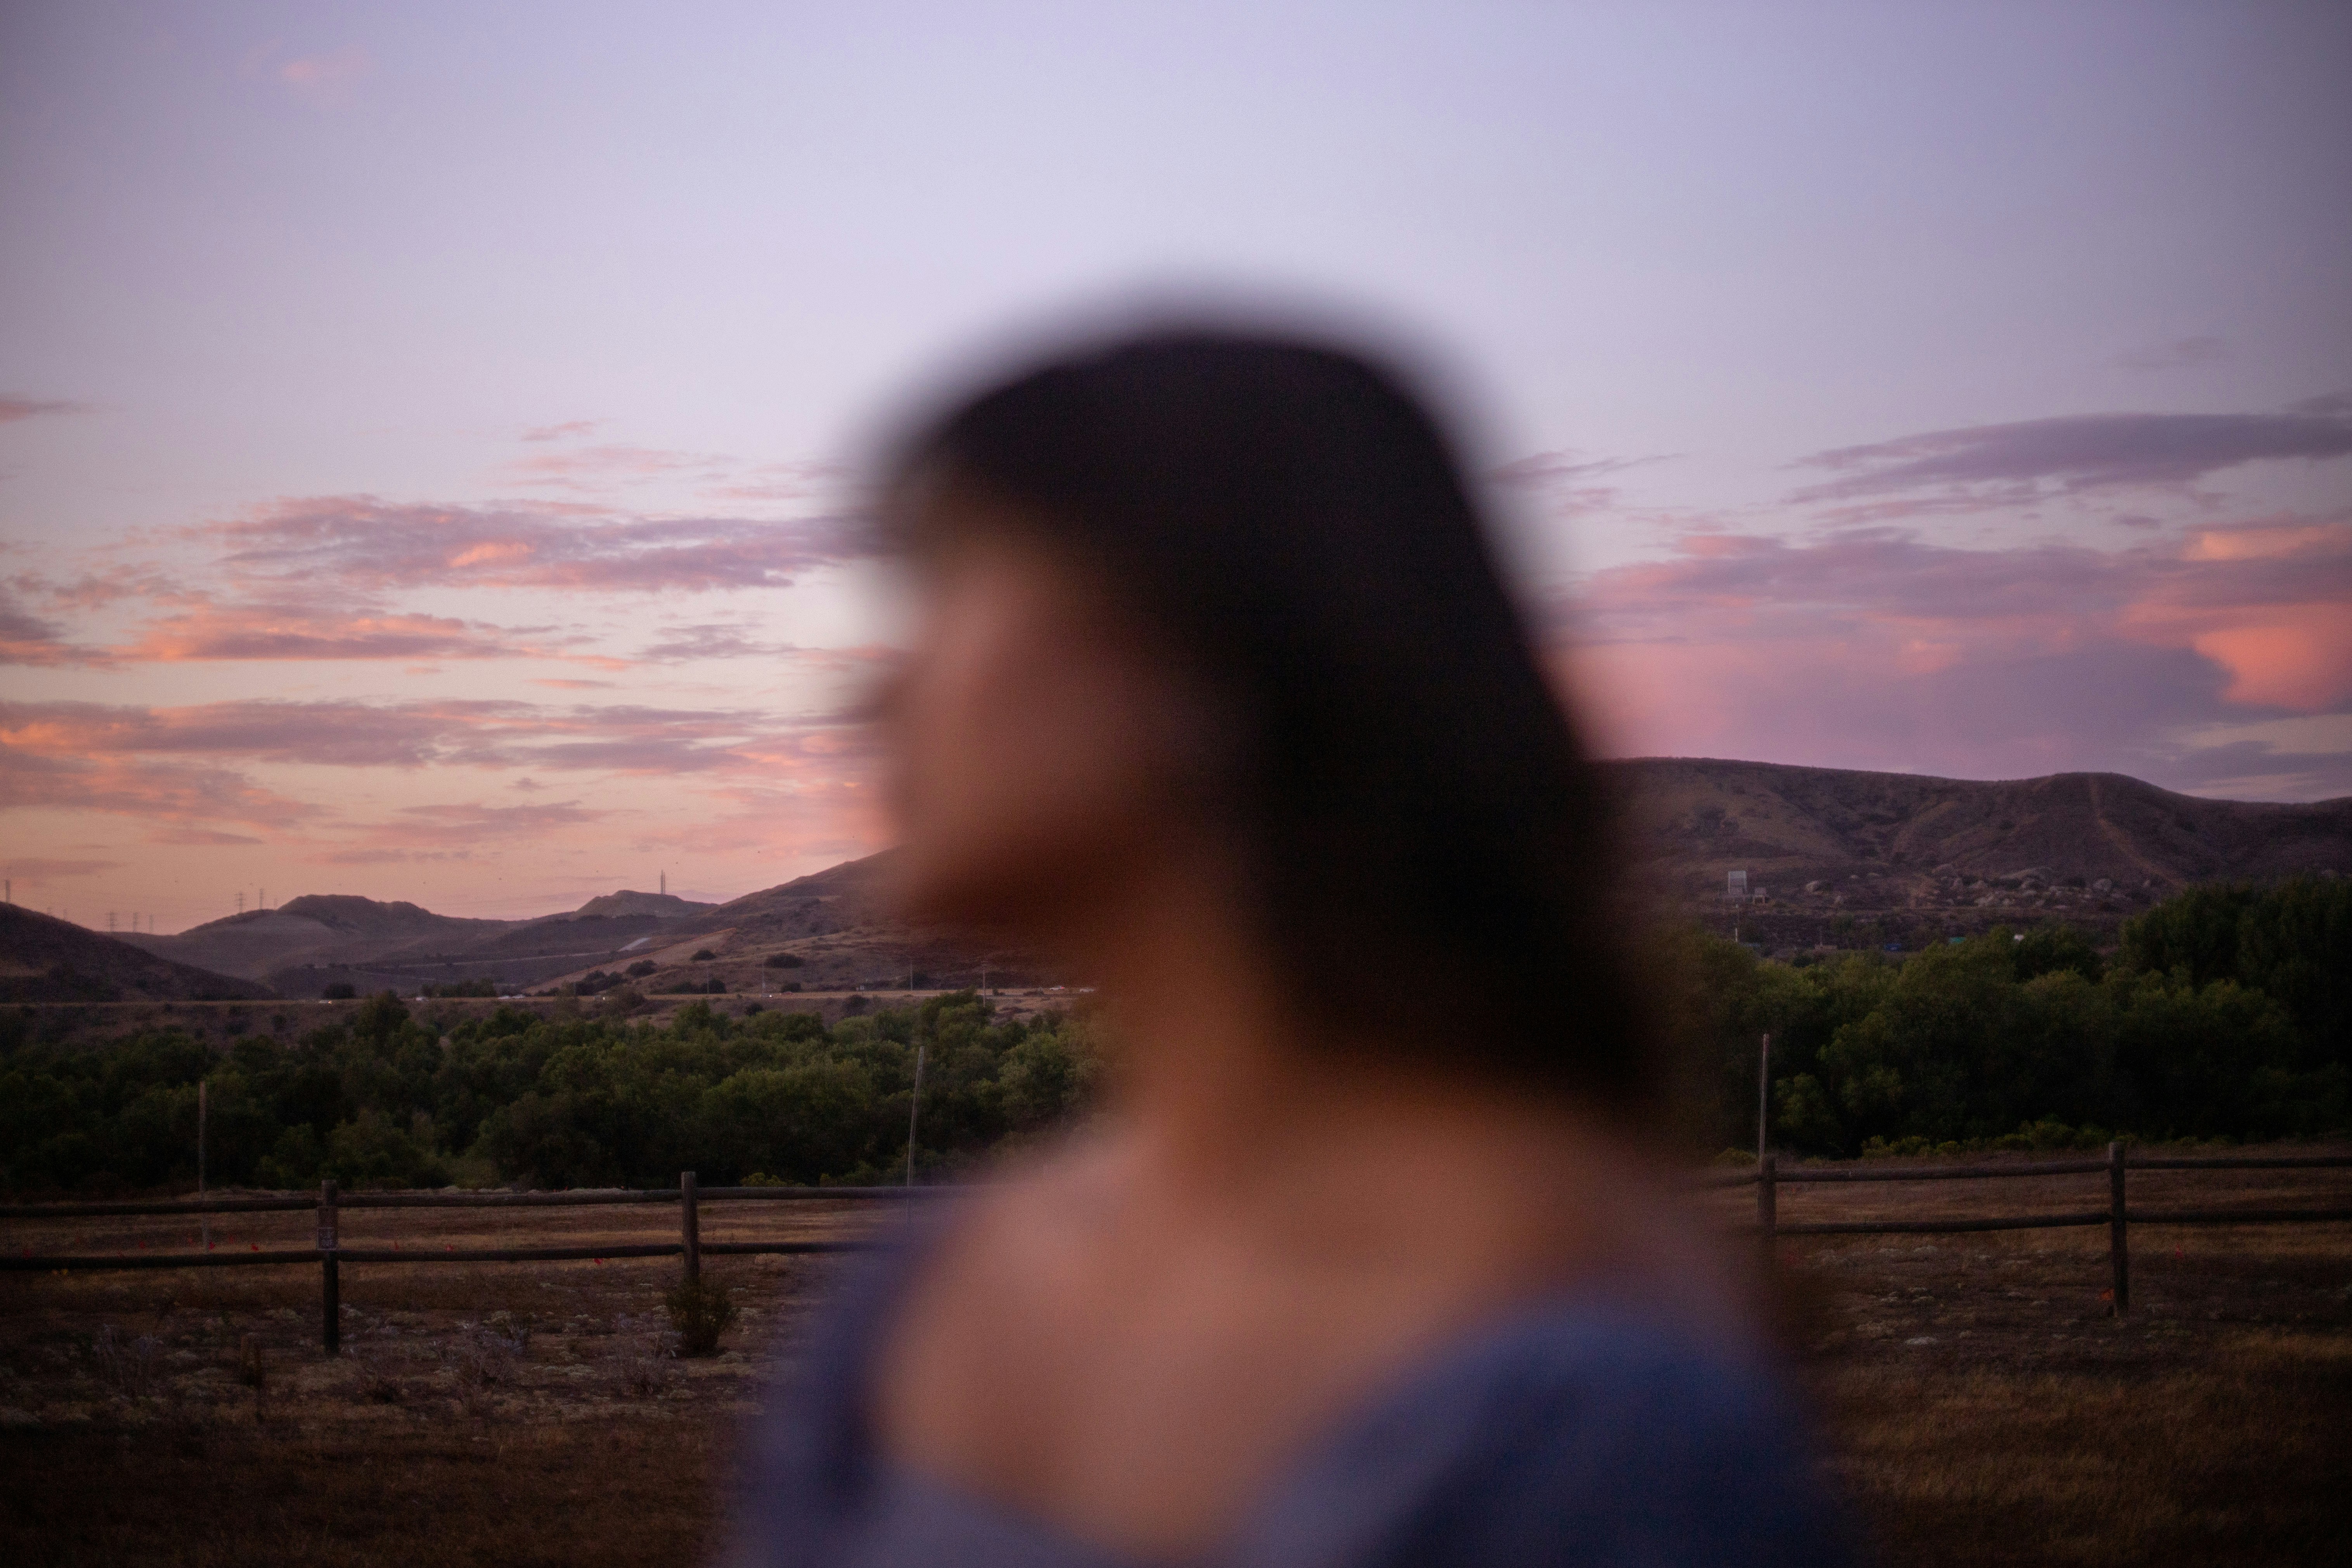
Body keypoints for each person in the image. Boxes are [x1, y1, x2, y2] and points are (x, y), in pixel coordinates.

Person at [728, 327, 1854, 1566]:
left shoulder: (1590, 1412)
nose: (872, 693)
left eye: (945, 583)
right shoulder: (922, 1284)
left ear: (1195, 647)